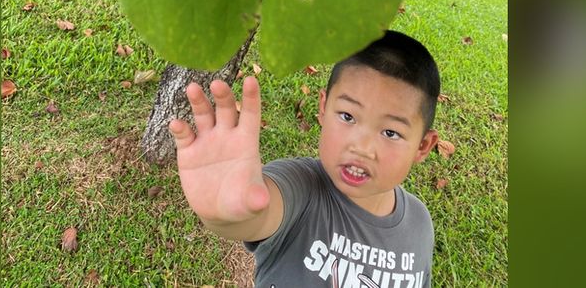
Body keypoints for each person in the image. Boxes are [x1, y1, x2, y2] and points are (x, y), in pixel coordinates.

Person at [169, 30, 442, 287]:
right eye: (347, 116)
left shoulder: (419, 225)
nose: (362, 147)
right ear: (323, 107)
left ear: (423, 146)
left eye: (391, 132)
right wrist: (223, 215)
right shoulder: (300, 187)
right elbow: (260, 216)